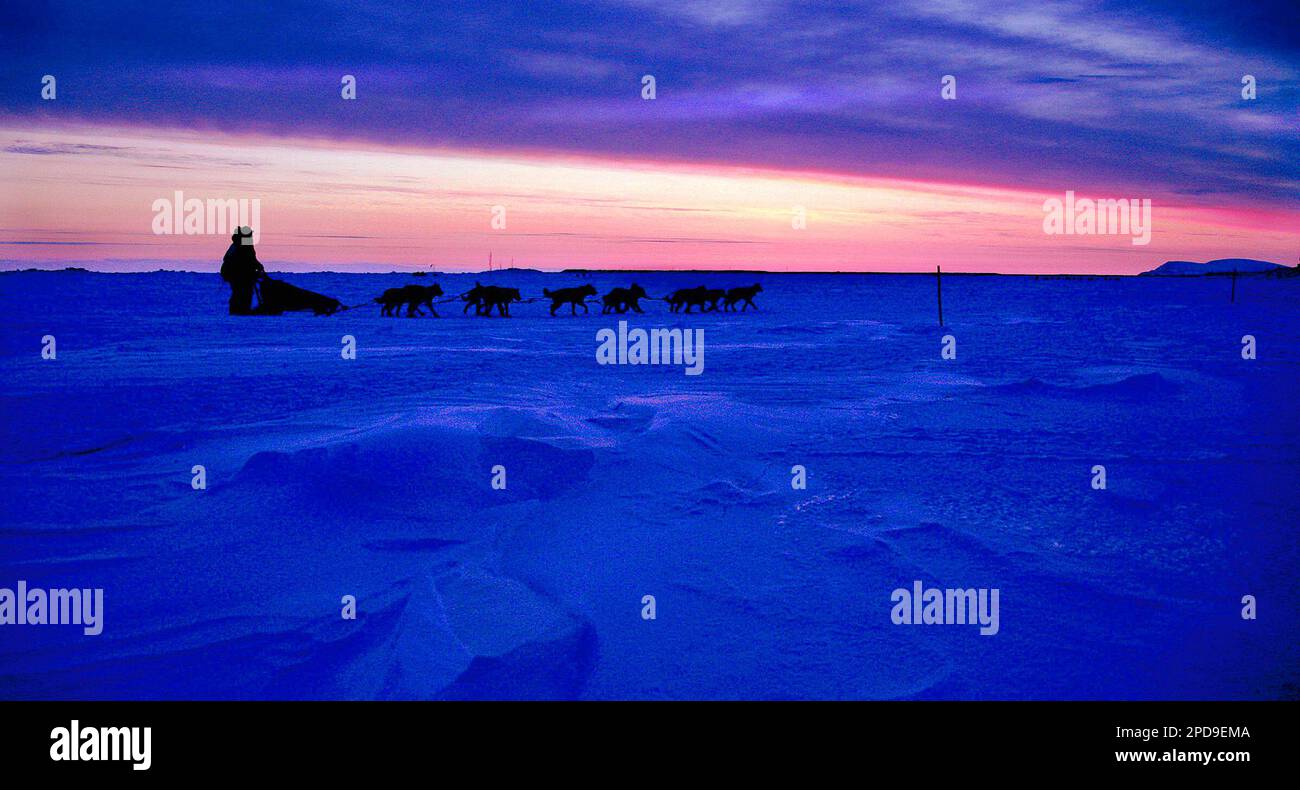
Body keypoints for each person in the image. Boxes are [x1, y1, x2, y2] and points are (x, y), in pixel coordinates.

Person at [220, 226, 265, 315]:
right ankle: (240, 310)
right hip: (237, 274)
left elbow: (251, 258)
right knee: (242, 291)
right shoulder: (242, 245)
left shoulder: (237, 245)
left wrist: (258, 266)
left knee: (240, 291)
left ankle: (239, 309)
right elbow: (248, 259)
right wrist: (256, 267)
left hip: (235, 273)